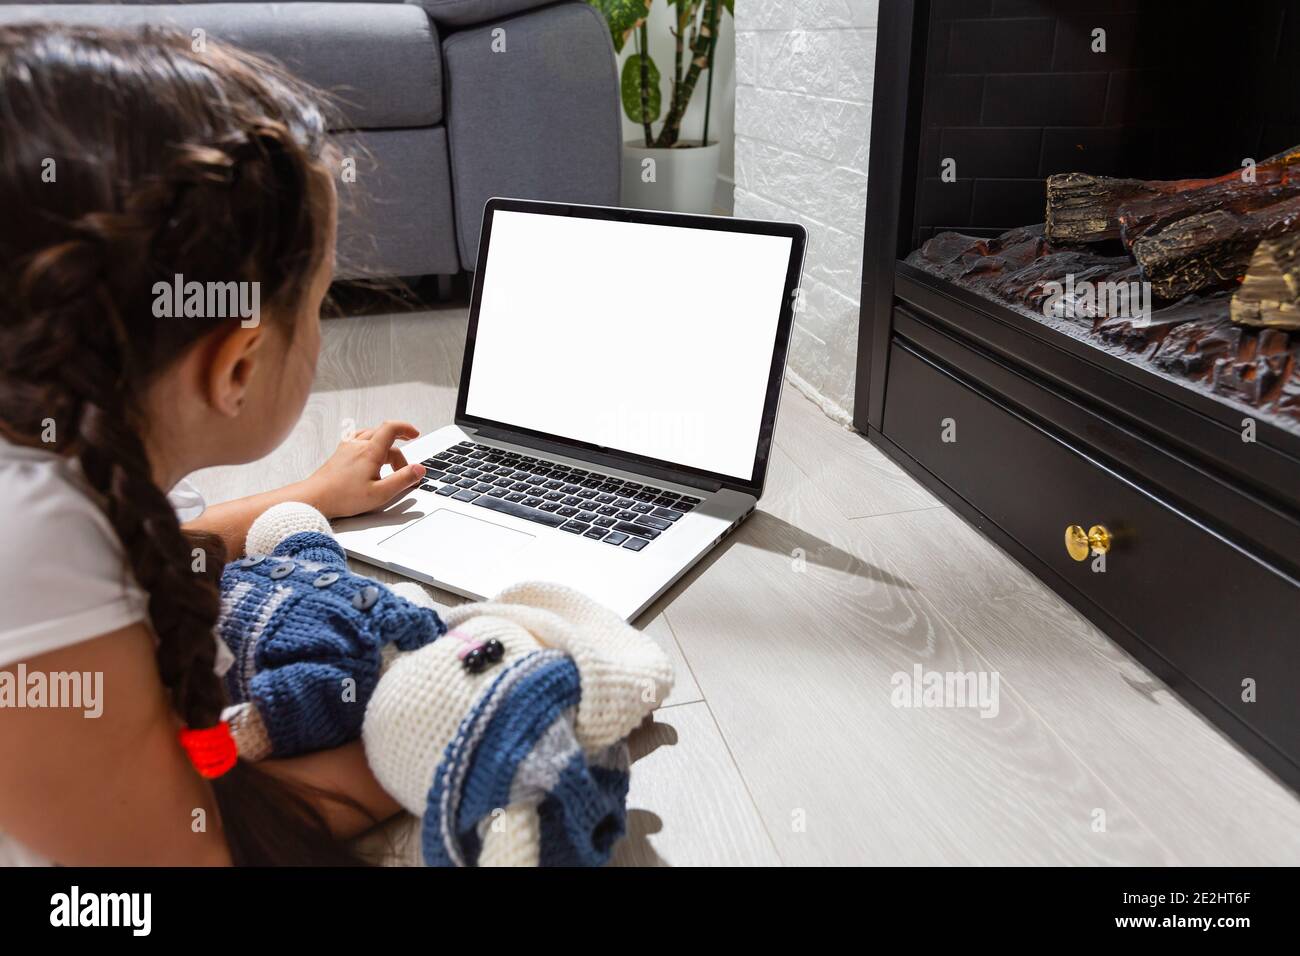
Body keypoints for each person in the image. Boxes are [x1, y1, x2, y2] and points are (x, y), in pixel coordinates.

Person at [0, 23, 427, 865]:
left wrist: (313, 494)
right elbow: (187, 845)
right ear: (237, 364)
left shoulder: (49, 457)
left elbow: (152, 546)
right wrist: (450, 722)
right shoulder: (34, 549)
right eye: (319, 303)